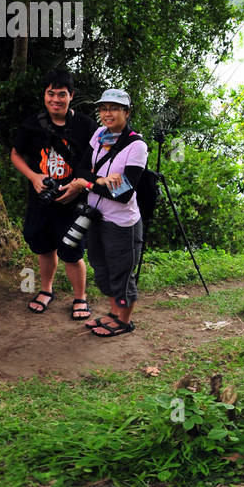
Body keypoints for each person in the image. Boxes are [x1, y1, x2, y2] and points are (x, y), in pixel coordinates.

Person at [6, 69, 97, 320]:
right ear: (44, 95)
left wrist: (78, 185)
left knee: (72, 250)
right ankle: (46, 290)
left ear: (71, 96)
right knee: (43, 247)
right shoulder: (32, 124)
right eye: (50, 93)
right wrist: (34, 177)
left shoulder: (86, 126)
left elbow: (96, 163)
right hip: (41, 199)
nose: (55, 99)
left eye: (61, 94)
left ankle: (81, 298)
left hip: (73, 201)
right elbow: (15, 154)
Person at [82, 88, 151, 338]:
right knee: (102, 268)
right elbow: (81, 170)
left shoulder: (137, 145)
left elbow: (123, 193)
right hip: (96, 216)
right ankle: (113, 314)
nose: (107, 113)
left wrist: (88, 182)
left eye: (113, 108)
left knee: (121, 273)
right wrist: (99, 182)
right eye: (103, 108)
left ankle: (124, 321)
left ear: (127, 112)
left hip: (121, 222)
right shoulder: (101, 135)